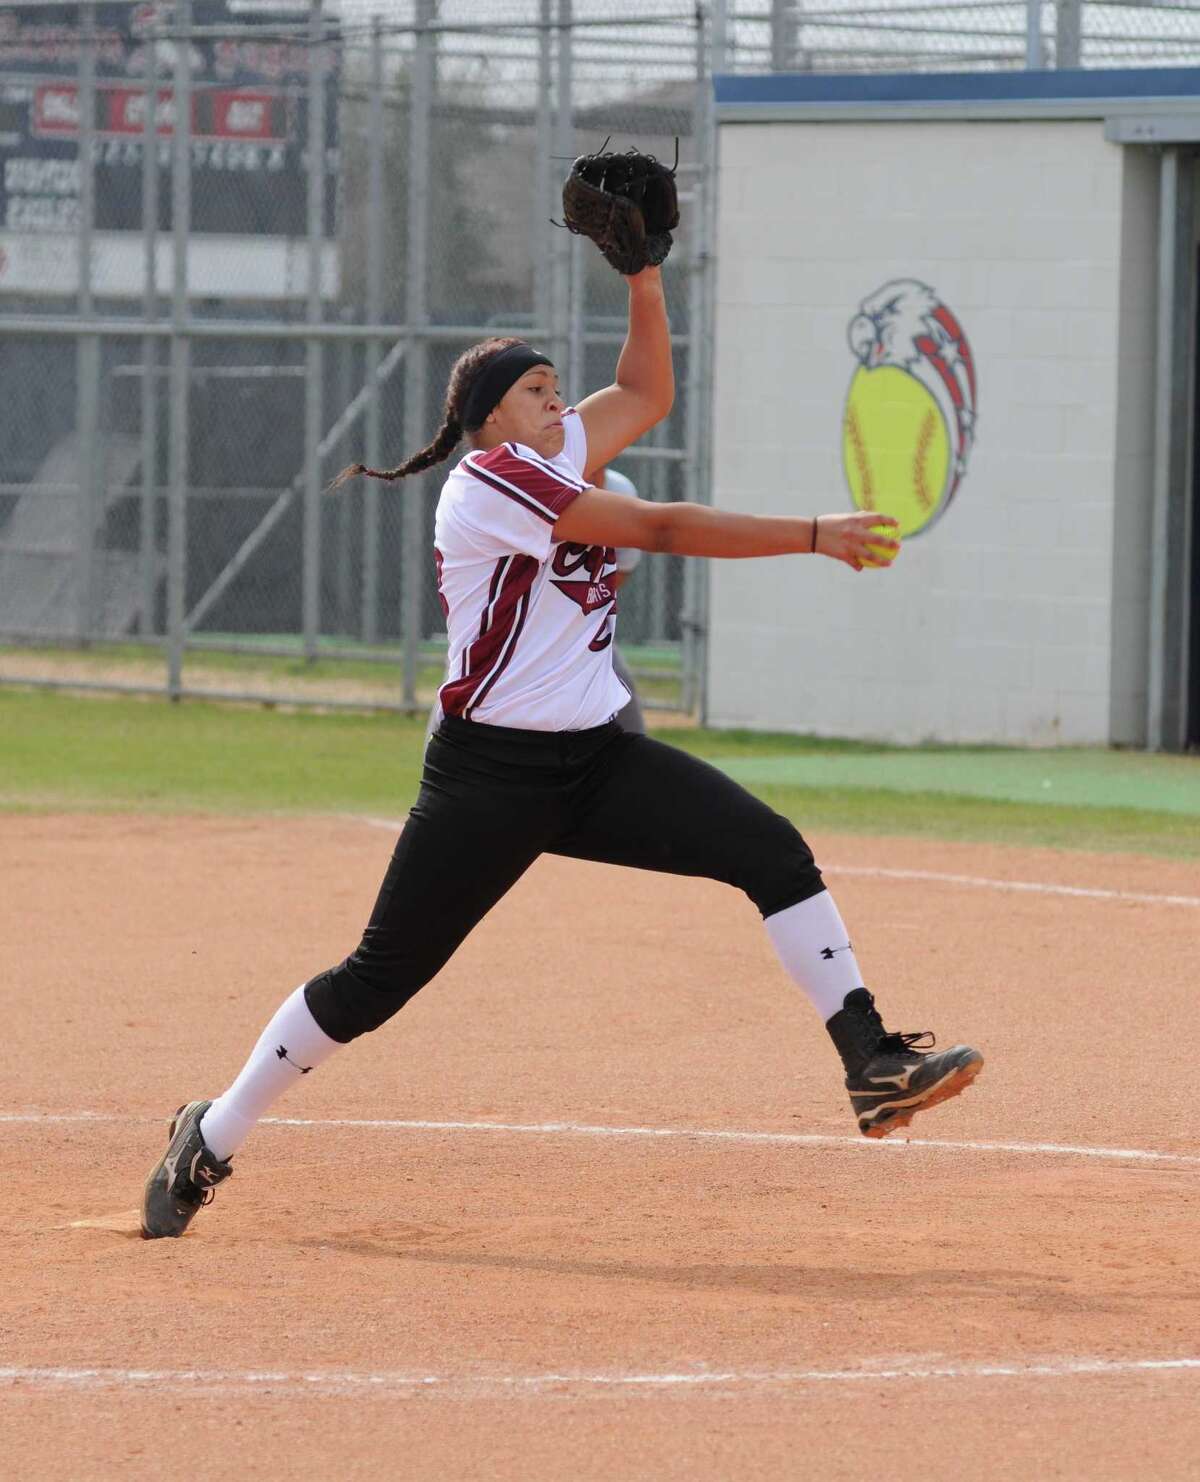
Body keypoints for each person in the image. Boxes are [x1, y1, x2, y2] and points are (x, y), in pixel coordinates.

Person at [141, 263, 983, 1239]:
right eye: (537, 391)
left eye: (554, 389)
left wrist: (645, 278)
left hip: (594, 764)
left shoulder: (549, 454)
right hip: (487, 780)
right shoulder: (492, 483)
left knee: (774, 853)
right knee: (378, 980)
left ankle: (872, 1062)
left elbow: (648, 393)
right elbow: (659, 525)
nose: (559, 402)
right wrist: (811, 533)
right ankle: (214, 1130)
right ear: (492, 417)